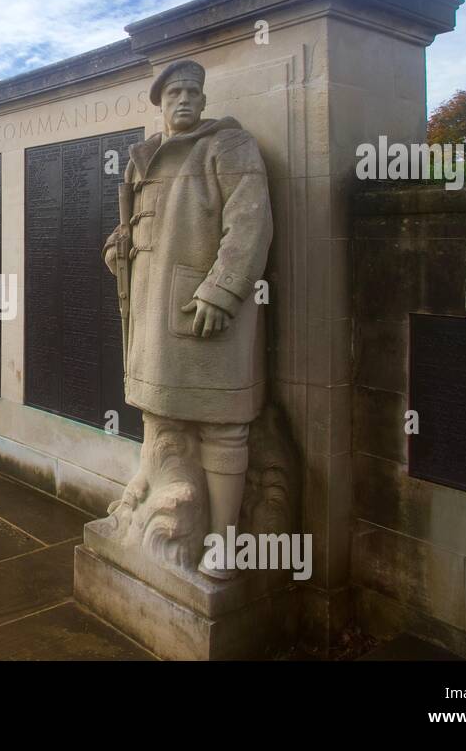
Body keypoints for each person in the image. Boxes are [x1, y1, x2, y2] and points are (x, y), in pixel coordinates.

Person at [104, 59, 273, 579]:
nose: (184, 100)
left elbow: (250, 222)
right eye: (174, 92)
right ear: (160, 103)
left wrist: (221, 291)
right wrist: (119, 245)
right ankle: (157, 508)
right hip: (154, 318)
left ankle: (222, 543)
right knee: (164, 420)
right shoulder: (142, 159)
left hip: (203, 315)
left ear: (203, 100)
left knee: (223, 426)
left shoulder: (229, 146)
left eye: (192, 93)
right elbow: (135, 226)